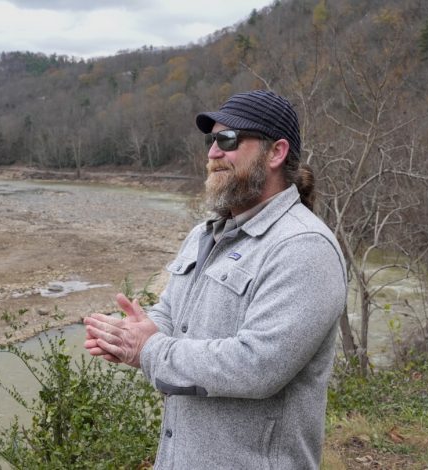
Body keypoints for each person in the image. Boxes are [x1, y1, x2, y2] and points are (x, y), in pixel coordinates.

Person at [84, 90, 347, 469]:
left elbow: (258, 365)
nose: (212, 153)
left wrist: (150, 350)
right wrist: (131, 335)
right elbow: (173, 314)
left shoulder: (304, 247)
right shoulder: (204, 234)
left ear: (276, 153)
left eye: (229, 140)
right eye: (211, 141)